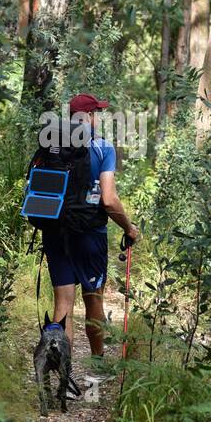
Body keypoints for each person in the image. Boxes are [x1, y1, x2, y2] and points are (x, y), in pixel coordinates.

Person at [41, 92, 140, 365]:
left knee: (64, 303)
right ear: (90, 117)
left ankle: (64, 370)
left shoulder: (53, 146)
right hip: (89, 234)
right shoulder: (103, 148)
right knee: (93, 297)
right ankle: (97, 363)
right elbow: (109, 200)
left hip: (55, 230)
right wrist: (129, 228)